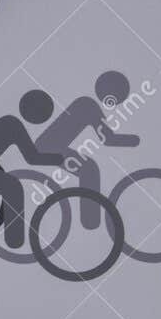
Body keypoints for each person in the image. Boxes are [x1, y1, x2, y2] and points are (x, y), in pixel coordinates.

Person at [0, 89, 68, 249]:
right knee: (13, 187)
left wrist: (57, 159)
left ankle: (14, 238)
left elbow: (31, 157)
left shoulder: (11, 122)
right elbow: (32, 158)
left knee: (12, 186)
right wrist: (60, 159)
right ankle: (14, 239)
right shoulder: (12, 124)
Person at [34, 71, 138, 229]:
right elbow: (108, 139)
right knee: (89, 169)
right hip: (47, 148)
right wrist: (134, 140)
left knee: (89, 168)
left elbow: (106, 137)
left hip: (48, 146)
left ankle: (90, 222)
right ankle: (90, 222)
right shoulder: (89, 105)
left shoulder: (87, 103)